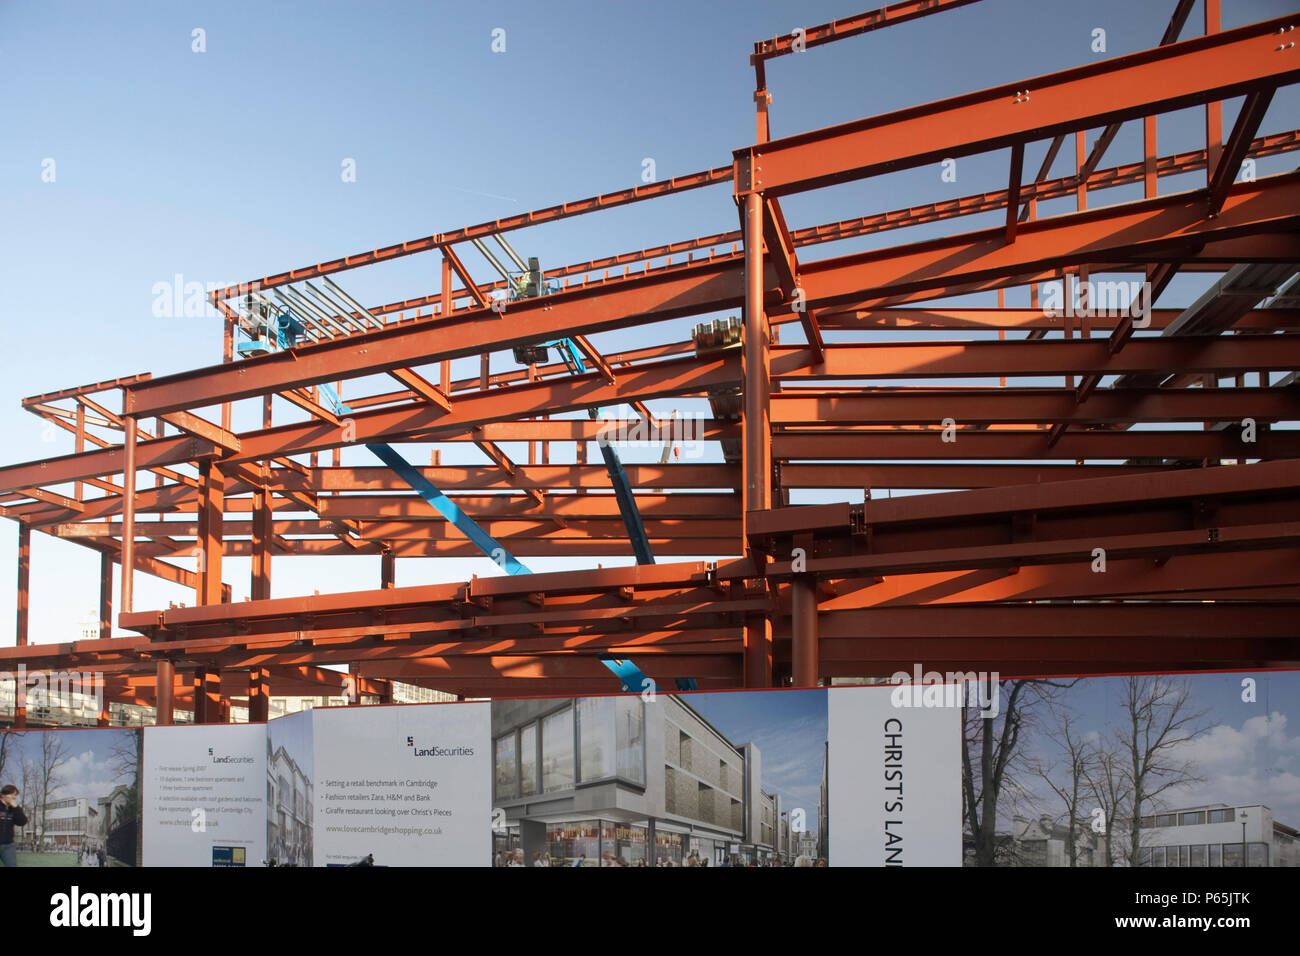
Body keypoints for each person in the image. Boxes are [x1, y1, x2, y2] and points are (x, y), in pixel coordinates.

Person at [0, 787, 25, 868]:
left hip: (8, 845)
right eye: (12, 795)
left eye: (15, 795)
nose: (14, 797)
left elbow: (22, 822)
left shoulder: (14, 808)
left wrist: (16, 808)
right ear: (3, 795)